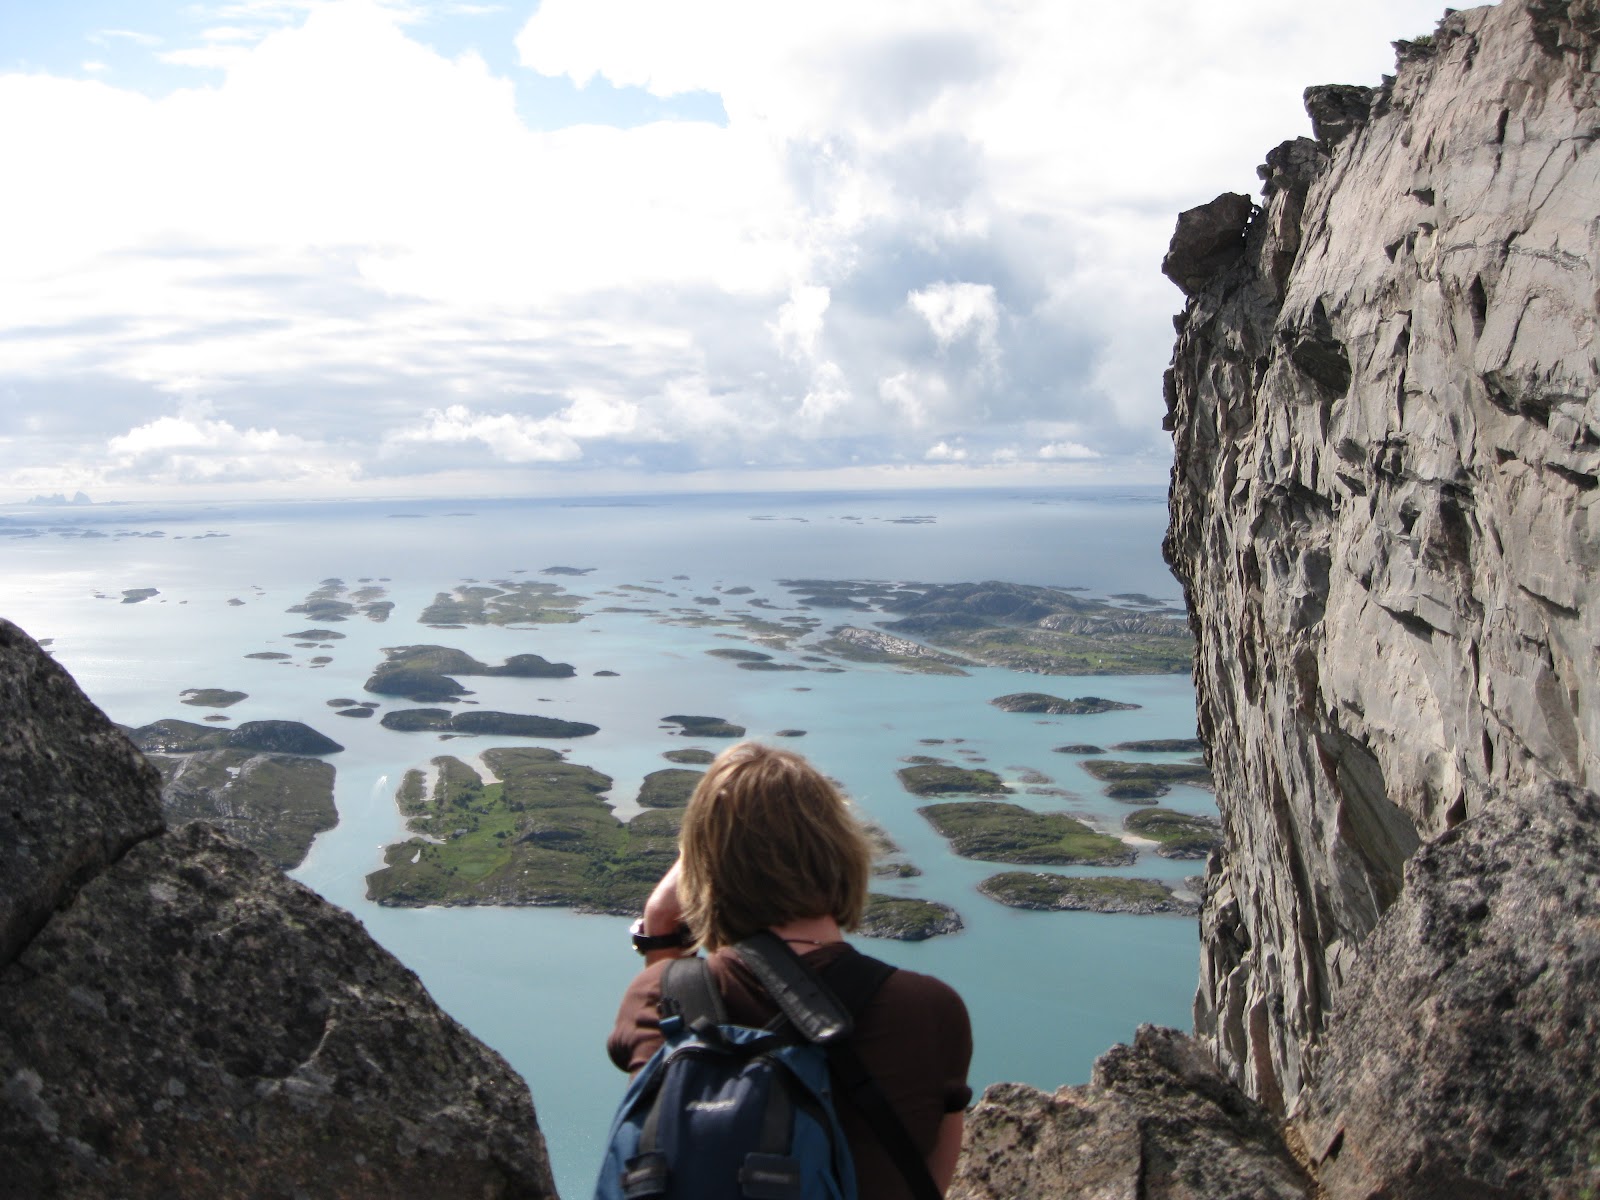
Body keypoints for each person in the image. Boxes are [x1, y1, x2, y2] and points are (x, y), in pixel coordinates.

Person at [607, 741, 973, 1198]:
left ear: (704, 873)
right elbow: (929, 1188)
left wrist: (660, 933)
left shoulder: (655, 996)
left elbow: (658, 1139)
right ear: (840, 851)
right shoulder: (928, 1010)